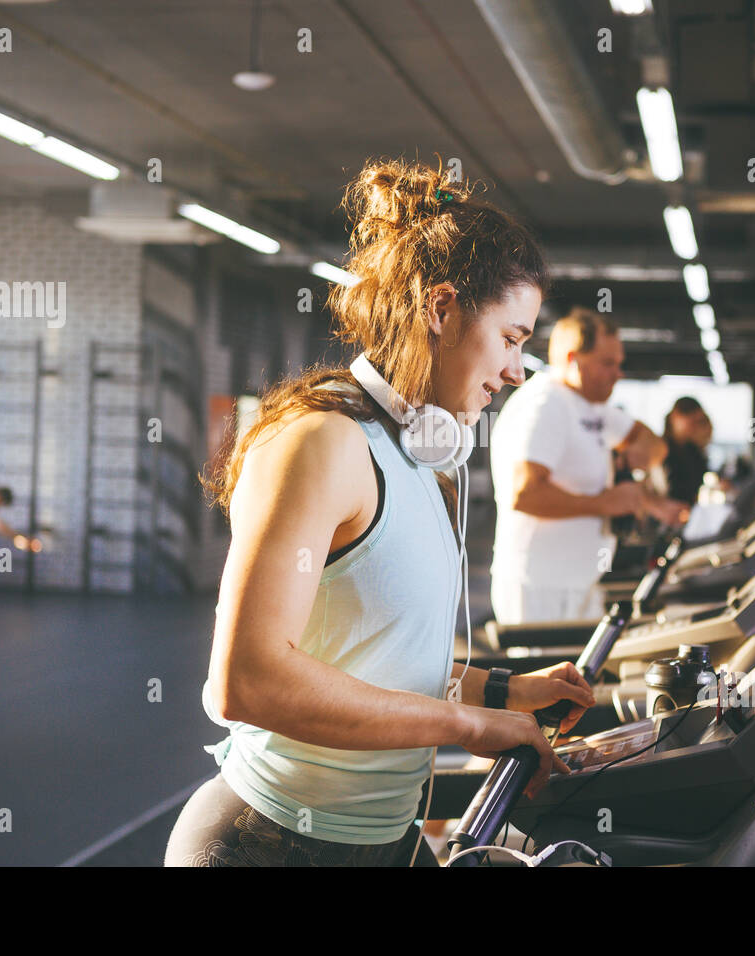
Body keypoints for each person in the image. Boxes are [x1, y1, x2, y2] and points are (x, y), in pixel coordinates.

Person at [163, 158, 595, 868]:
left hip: (384, 839)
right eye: (513, 338)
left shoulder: (419, 456)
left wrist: (505, 691)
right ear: (442, 308)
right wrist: (466, 725)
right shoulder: (322, 442)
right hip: (270, 843)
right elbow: (247, 681)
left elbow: (381, 655)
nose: (518, 371)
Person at [488, 307, 689, 625]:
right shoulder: (545, 404)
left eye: (619, 364)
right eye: (607, 364)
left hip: (580, 583)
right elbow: (524, 494)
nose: (618, 374)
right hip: (541, 588)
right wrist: (605, 503)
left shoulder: (592, 408)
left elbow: (654, 445)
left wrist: (638, 470)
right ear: (573, 359)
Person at [663, 397, 713, 503]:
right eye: (693, 422)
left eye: (699, 422)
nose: (695, 427)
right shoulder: (662, 451)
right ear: (674, 418)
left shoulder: (694, 452)